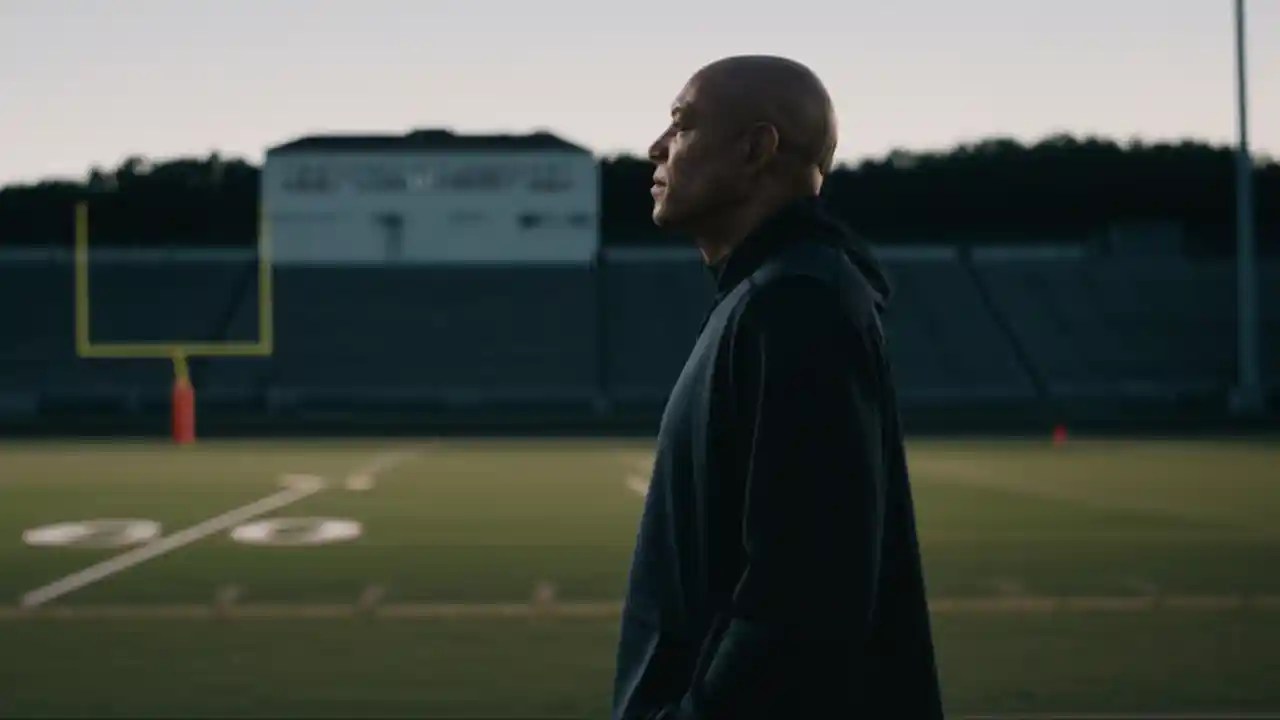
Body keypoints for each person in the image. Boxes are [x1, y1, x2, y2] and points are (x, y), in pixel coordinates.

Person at [611, 55, 944, 720]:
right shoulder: (770, 294)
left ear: (755, 149)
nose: (655, 147)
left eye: (681, 125)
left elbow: (803, 596)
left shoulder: (795, 301)